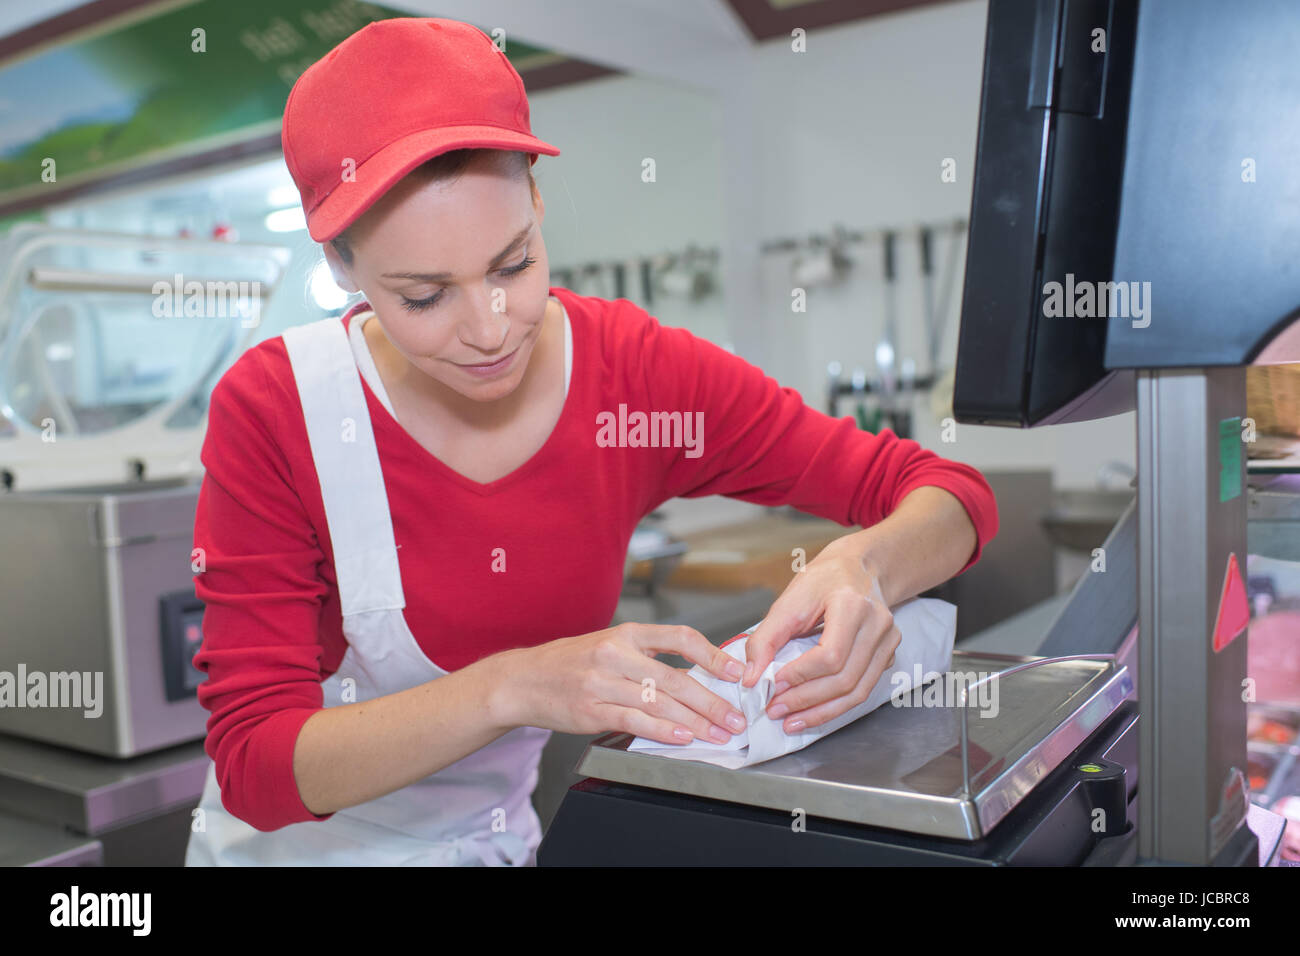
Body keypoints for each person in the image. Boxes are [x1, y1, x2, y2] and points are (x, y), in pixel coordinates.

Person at [184, 16, 998, 866]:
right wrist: (514, 684)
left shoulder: (634, 377)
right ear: (344, 271)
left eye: (513, 265)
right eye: (425, 297)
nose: (491, 330)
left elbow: (948, 494)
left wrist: (864, 566)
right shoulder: (281, 409)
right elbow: (256, 766)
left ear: (537, 200)